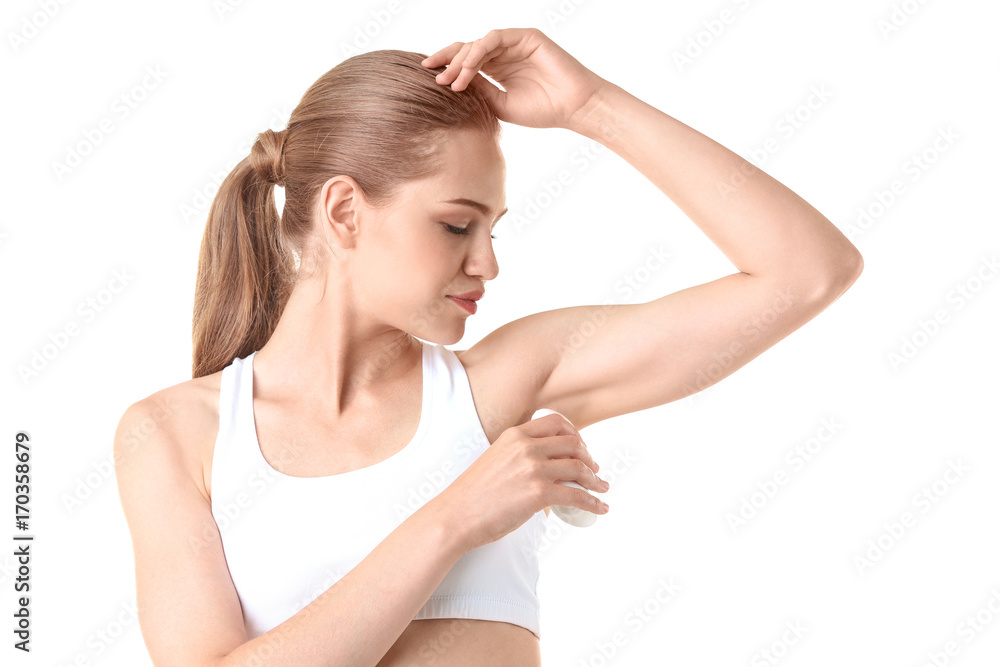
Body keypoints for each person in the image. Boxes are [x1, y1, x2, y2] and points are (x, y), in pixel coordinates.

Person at [114, 27, 862, 666]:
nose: (487, 264)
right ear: (345, 211)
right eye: (456, 225)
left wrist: (589, 106)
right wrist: (457, 514)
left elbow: (807, 273)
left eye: (493, 229)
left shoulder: (506, 384)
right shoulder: (176, 433)